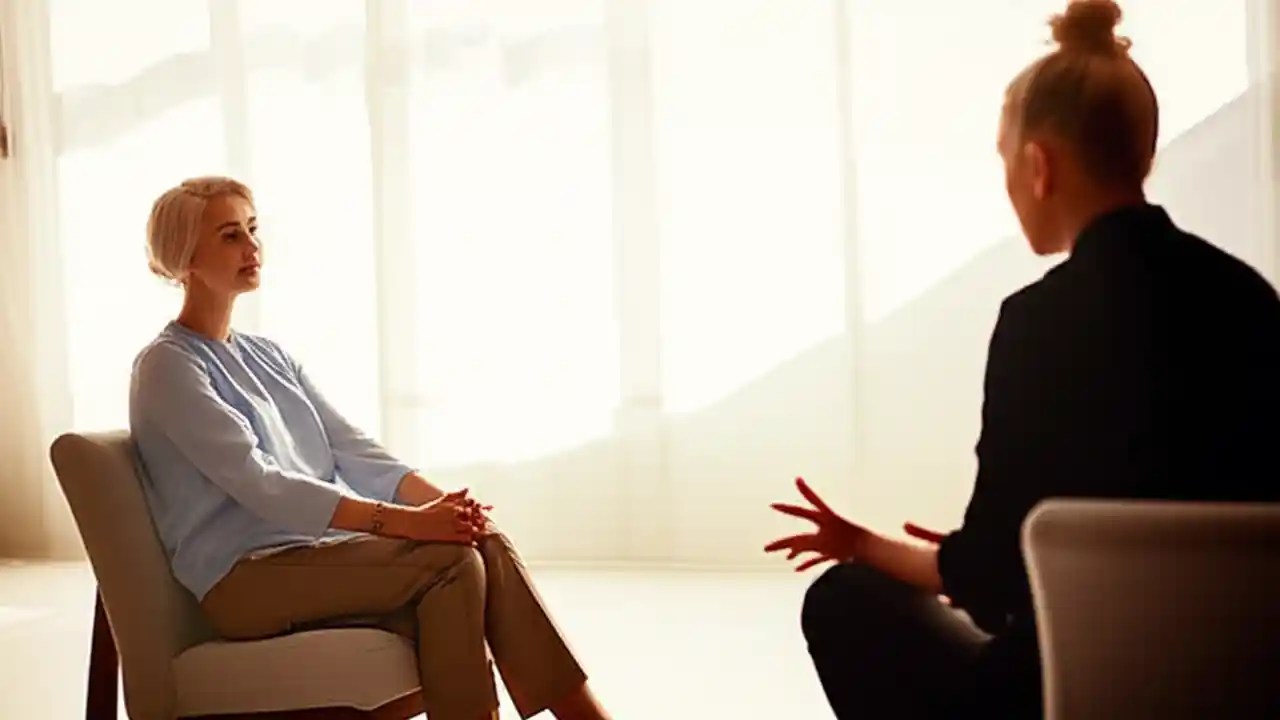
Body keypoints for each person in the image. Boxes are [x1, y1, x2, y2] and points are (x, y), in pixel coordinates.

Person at [766, 1, 1280, 717]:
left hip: (1054, 694)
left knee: (842, 601)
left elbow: (994, 581)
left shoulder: (1035, 323)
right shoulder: (1252, 301)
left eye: (1006, 159)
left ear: (1039, 166)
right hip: (1242, 688)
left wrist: (861, 544)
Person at [130, 176, 612, 720]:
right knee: (451, 562)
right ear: (185, 257)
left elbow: (352, 451)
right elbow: (262, 483)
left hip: (316, 557)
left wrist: (452, 510)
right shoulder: (169, 366)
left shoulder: (268, 355)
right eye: (229, 236)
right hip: (246, 579)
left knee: (482, 542)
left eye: (253, 229)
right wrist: (408, 524)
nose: (252, 246)